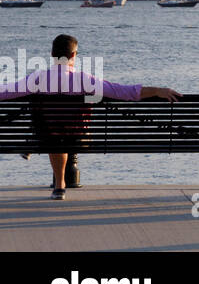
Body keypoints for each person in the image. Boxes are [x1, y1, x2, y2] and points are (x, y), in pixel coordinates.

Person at [0, 33, 181, 200]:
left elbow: (6, 92)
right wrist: (158, 90)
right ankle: (59, 183)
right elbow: (123, 91)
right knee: (61, 130)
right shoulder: (84, 79)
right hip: (78, 136)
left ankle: (59, 184)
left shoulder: (38, 78)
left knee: (50, 127)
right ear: (73, 55)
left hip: (47, 136)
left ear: (52, 54)